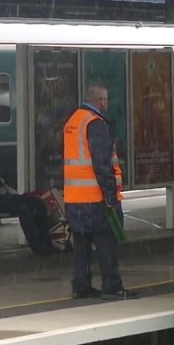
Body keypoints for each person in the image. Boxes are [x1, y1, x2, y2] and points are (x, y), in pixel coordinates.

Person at [62, 85, 129, 300]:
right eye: (105, 99)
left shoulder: (72, 122)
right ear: (100, 101)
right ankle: (112, 286)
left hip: (74, 198)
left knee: (81, 244)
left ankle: (80, 286)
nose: (106, 104)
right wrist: (110, 195)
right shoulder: (95, 124)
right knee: (106, 242)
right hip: (94, 197)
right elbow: (102, 164)